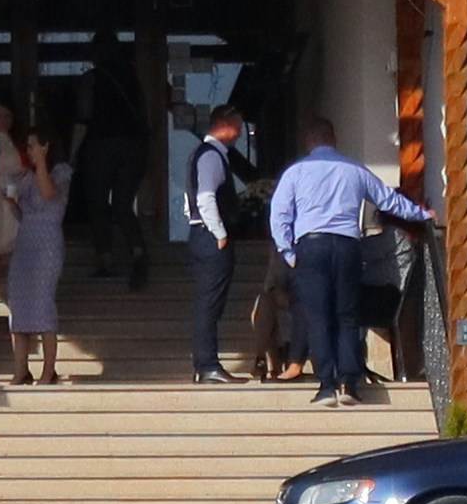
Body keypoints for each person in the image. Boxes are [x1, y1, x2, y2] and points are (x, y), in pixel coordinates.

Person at [267, 120, 437, 407]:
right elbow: (388, 200)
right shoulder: (354, 169)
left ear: (309, 143)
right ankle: (349, 383)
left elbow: (279, 214)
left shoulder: (295, 172)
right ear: (334, 140)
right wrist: (422, 214)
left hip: (311, 244)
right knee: (348, 315)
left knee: (318, 315)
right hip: (347, 245)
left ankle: (326, 386)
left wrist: (288, 252)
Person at [182, 103, 262, 382]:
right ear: (224, 126)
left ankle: (204, 363)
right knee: (209, 303)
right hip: (209, 237)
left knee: (210, 302)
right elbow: (205, 197)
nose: (240, 133)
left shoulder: (204, 155)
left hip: (203, 234)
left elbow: (191, 198)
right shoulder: (211, 156)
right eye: (238, 126)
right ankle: (206, 364)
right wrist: (220, 233)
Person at [0, 115, 69, 382]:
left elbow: (49, 194)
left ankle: (48, 370)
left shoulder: (60, 171)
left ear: (46, 146)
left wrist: (40, 163)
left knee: (43, 303)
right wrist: (11, 202)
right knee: (20, 303)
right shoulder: (25, 176)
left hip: (48, 242)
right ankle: (20, 369)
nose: (28, 151)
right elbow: (22, 212)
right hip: (26, 241)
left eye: (32, 146)